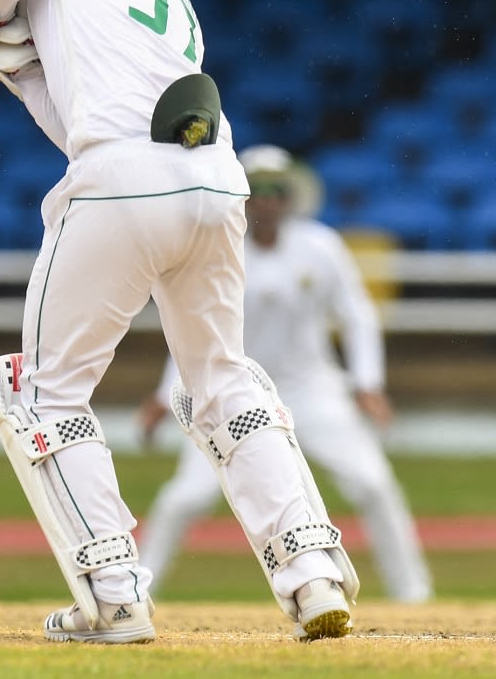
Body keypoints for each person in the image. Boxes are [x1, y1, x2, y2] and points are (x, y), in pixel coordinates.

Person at [0, 0, 359, 643]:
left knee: (41, 392)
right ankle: (312, 571)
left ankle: (114, 598)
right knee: (220, 378)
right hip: (218, 181)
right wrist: (14, 63)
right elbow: (81, 119)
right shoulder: (173, 5)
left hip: (123, 181)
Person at [137, 145, 433, 602]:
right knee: (185, 499)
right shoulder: (219, 249)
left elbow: (357, 316)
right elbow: (192, 327)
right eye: (259, 191)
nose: (268, 201)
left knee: (374, 484)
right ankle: (137, 592)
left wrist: (367, 384)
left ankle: (414, 596)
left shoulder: (322, 246)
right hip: (232, 391)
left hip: (313, 389)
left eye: (277, 191)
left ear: (290, 196)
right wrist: (165, 394)